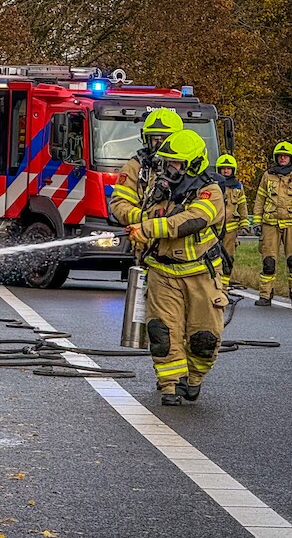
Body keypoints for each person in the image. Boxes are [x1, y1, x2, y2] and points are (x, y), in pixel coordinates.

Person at [125, 130, 227, 406]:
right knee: (162, 333)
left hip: (201, 274)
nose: (170, 169)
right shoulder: (162, 188)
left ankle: (193, 380)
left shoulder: (211, 192)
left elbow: (190, 221)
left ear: (194, 164)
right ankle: (170, 385)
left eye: (177, 164)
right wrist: (137, 224)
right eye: (168, 163)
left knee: (204, 338)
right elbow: (143, 212)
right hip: (163, 272)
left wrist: (146, 228)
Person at [251, 141, 292, 307]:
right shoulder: (267, 175)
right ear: (276, 157)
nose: (283, 158)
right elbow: (259, 200)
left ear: (291, 158)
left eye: (286, 156)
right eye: (280, 156)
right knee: (268, 262)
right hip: (270, 224)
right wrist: (257, 222)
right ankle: (265, 295)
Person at [109, 108, 184, 227]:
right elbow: (119, 205)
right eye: (155, 139)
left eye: (164, 139)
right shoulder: (135, 167)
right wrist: (146, 217)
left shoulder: (187, 167)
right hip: (145, 239)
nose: (159, 145)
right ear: (146, 139)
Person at [214, 154, 250, 289]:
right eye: (223, 169)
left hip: (230, 230)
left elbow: (242, 207)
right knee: (212, 258)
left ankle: (223, 289)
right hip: (214, 229)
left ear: (233, 170)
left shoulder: (237, 187)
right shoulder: (213, 185)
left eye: (228, 169)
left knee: (227, 259)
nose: (225, 171)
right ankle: (214, 287)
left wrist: (245, 224)